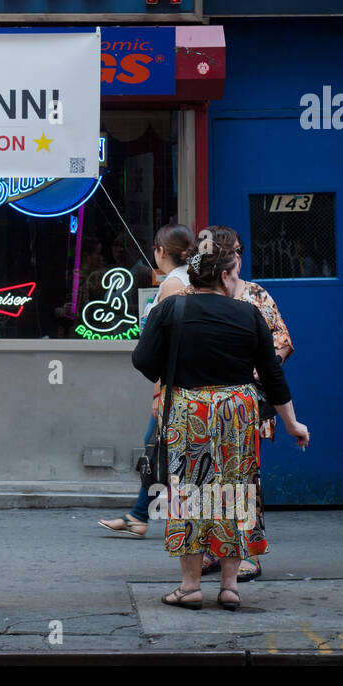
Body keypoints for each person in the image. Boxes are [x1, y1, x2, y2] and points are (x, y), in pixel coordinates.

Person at [132, 244, 309, 611]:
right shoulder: (248, 314)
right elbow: (272, 375)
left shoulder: (170, 308)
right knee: (235, 492)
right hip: (237, 411)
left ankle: (190, 587)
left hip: (189, 409)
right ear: (225, 277)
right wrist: (292, 423)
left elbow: (142, 359)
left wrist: (175, 370)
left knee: (190, 495)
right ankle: (229, 587)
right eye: (235, 274)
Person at [195, 225, 296, 582]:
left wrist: (260, 369)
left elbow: (282, 341)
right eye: (232, 252)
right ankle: (212, 549)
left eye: (240, 250)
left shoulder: (254, 294)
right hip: (202, 402)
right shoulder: (192, 295)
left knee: (243, 478)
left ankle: (247, 553)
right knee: (205, 477)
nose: (238, 257)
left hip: (245, 402)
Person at [99, 223, 195, 537]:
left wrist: (158, 391)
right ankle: (140, 515)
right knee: (158, 446)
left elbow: (169, 344)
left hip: (173, 383)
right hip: (179, 380)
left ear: (160, 250)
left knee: (160, 447)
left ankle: (162, 517)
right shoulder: (184, 280)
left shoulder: (173, 284)